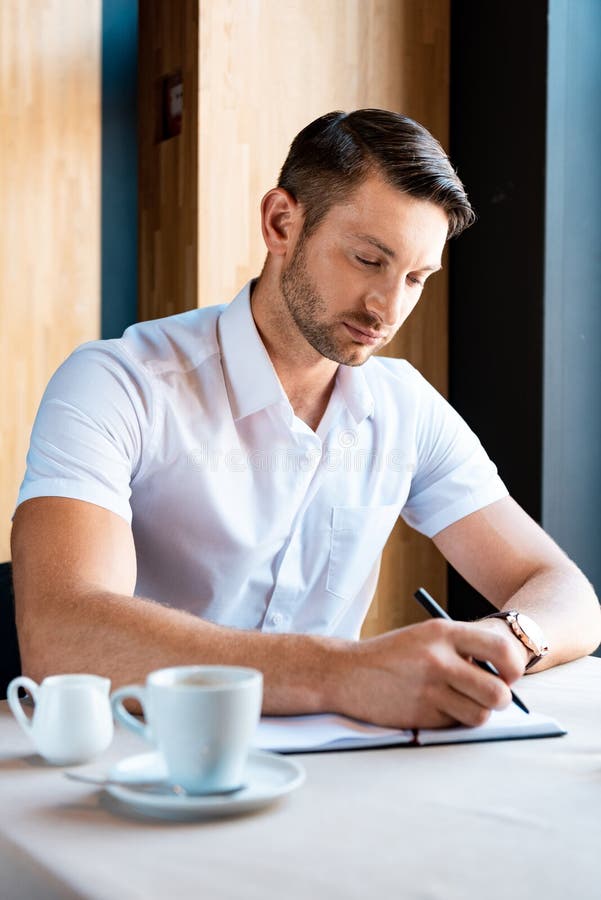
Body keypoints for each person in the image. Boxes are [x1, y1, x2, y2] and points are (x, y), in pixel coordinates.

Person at [11, 109, 600, 729]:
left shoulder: (407, 409)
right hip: (140, 764)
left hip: (328, 774)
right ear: (281, 223)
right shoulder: (117, 383)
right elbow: (62, 634)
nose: (387, 308)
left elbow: (564, 590)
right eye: (368, 260)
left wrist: (504, 645)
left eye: (416, 279)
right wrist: (344, 672)